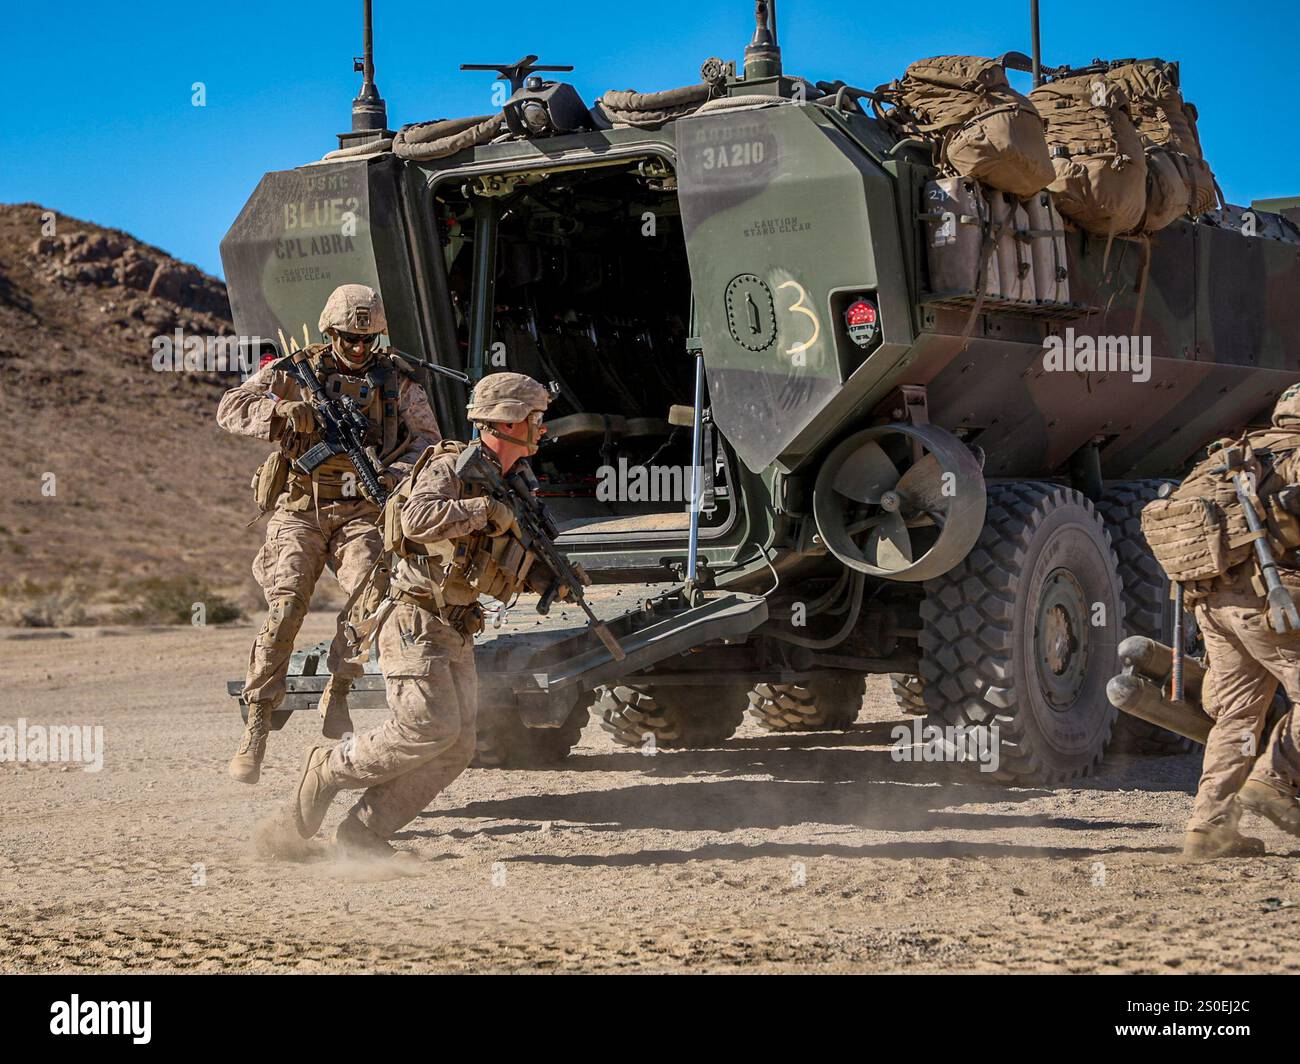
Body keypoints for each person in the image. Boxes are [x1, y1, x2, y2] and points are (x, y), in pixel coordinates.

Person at [281, 371, 553, 858]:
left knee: (458, 743)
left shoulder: (513, 479)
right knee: (423, 728)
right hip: (414, 617)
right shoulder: (451, 467)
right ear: (509, 421)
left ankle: (364, 833)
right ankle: (328, 766)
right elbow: (417, 518)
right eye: (536, 418)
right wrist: (484, 509)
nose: (543, 428)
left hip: (457, 622)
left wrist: (543, 576)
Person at [217, 284, 440, 783]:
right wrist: (276, 412)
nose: (358, 349)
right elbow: (230, 407)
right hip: (300, 509)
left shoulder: (397, 383)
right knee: (287, 604)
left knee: (373, 595)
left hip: (361, 508)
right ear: (330, 332)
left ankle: (339, 684)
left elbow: (428, 443)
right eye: (348, 338)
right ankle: (257, 722)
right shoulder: (297, 371)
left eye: (366, 340)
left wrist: (394, 473)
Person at [1175, 385, 1300, 857]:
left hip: (1211, 602)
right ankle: (1273, 780)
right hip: (1269, 601)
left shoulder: (1231, 456)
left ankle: (1209, 831)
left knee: (1238, 715)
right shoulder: (1294, 458)